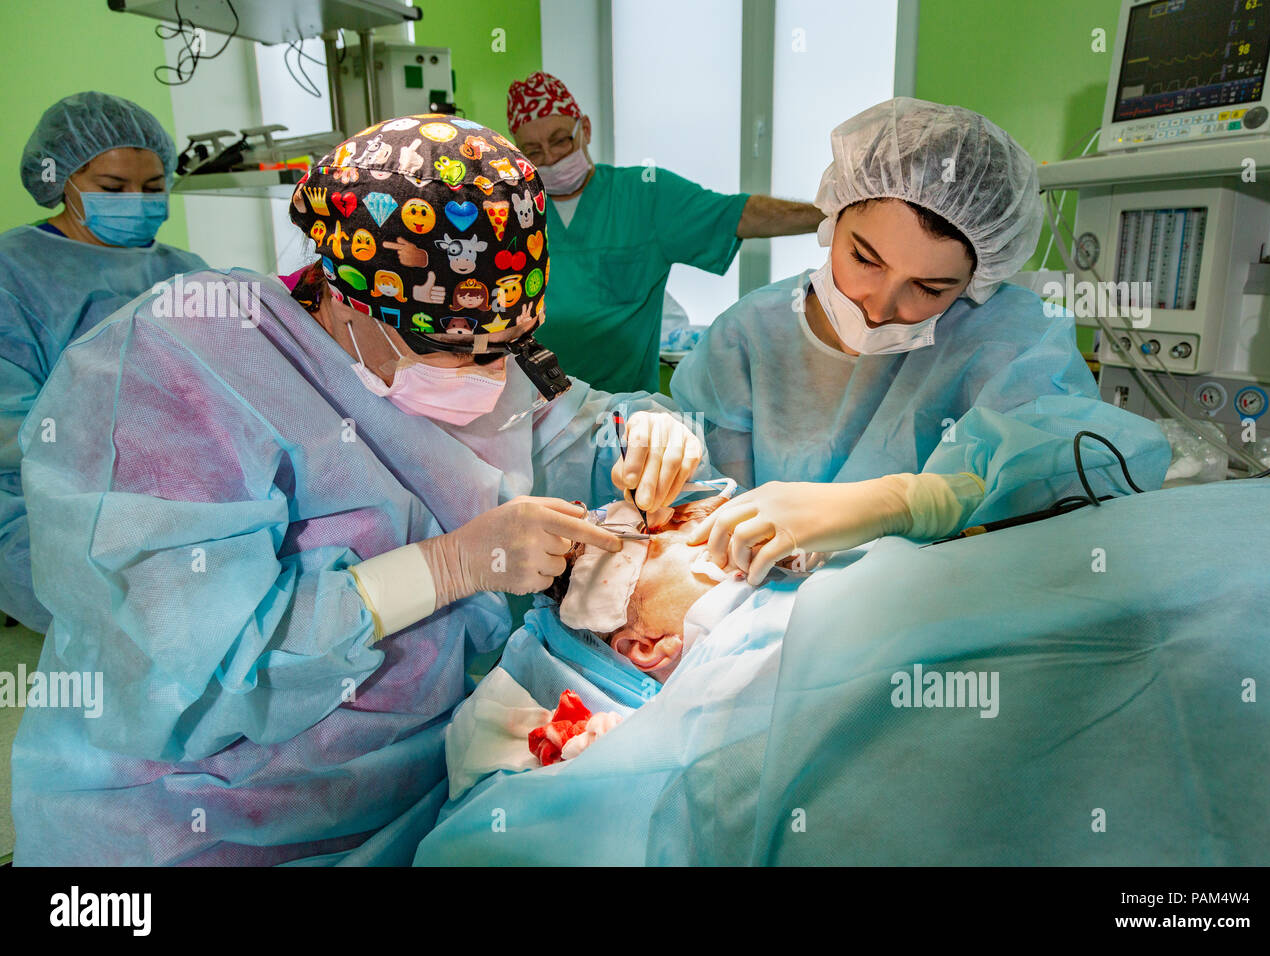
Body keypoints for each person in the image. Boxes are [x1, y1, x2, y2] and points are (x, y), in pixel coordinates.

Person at [10, 112, 706, 866]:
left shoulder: (470, 334)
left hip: (419, 785)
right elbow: (194, 668)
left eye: (506, 346)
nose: (487, 375)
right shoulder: (182, 367)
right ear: (348, 297)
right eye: (456, 349)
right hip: (206, 816)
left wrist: (644, 430)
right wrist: (448, 567)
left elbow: (570, 422)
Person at [671, 98, 1171, 584]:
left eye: (930, 288)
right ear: (832, 220)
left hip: (923, 619)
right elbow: (706, 500)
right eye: (864, 259)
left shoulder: (1009, 338)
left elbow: (1087, 472)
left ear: (979, 278)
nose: (880, 307)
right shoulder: (748, 336)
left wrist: (908, 502)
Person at [0, 91, 206, 632]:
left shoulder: (186, 270)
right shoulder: (13, 272)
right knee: (137, 625)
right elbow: (12, 431)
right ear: (61, 181)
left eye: (154, 188)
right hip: (46, 493)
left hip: (187, 478)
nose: (136, 201)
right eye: (113, 189)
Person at [506, 71, 824, 394]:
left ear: (585, 129)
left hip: (623, 412)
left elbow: (737, 215)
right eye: (533, 150)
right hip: (535, 410)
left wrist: (833, 212)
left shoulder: (645, 195)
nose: (550, 158)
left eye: (560, 141)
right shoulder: (513, 214)